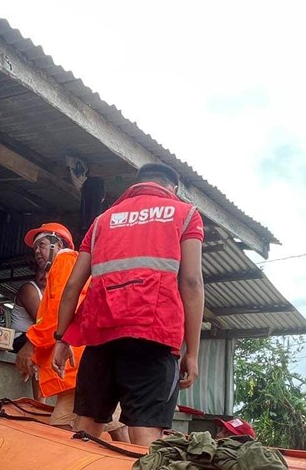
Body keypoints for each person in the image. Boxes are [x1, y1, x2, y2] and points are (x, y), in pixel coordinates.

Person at [51, 163, 206, 446]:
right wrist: (192, 352)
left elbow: (73, 285)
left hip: (101, 338)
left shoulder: (102, 221)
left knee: (86, 426)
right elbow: (192, 282)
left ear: (136, 185)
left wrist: (62, 338)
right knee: (145, 432)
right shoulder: (186, 215)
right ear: (173, 189)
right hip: (154, 336)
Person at [14, 223, 127, 440]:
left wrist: (31, 345)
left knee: (65, 426)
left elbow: (58, 314)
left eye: (43, 245)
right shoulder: (65, 265)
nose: (37, 251)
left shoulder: (65, 262)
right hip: (82, 361)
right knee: (110, 423)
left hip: (77, 361)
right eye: (35, 247)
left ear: (59, 244)